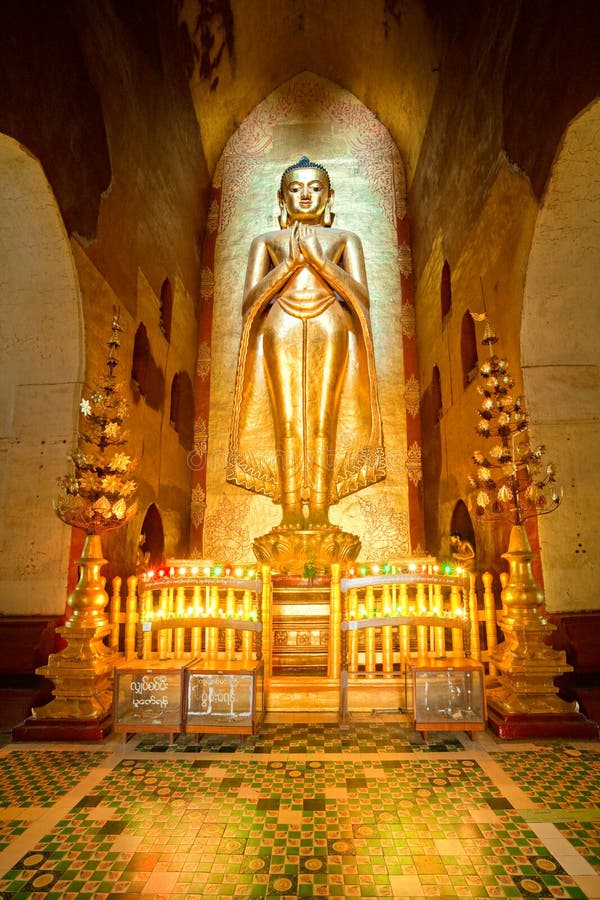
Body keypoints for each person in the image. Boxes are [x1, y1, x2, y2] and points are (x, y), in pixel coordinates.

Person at [227, 156, 385, 530]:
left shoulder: (345, 239)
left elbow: (361, 298)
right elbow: (250, 303)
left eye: (315, 188)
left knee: (324, 418)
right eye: (295, 189)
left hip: (330, 321)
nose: (305, 196)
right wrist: (289, 265)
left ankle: (320, 510)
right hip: (280, 323)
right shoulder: (266, 242)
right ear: (281, 199)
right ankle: (289, 512)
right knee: (285, 418)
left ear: (330, 196)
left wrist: (320, 261)